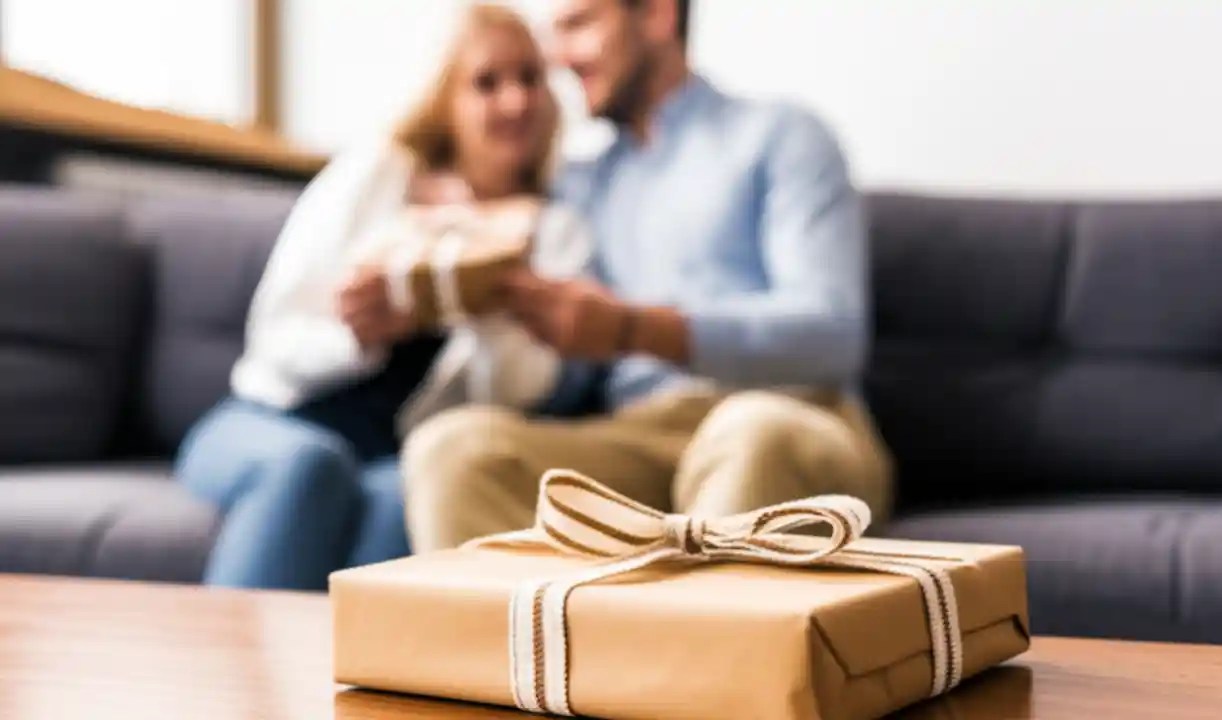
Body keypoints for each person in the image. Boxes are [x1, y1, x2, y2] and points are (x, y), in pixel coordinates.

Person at [401, 0, 893, 551]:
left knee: (749, 430)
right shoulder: (582, 186)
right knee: (452, 449)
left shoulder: (782, 136)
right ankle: (510, 638)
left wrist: (632, 329)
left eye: (579, 25)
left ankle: (696, 633)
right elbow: (569, 380)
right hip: (637, 437)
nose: (559, 58)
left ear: (657, 15)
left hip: (794, 415)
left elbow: (831, 335)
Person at [176, 4, 587, 590]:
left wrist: (488, 302)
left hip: (392, 451)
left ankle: (343, 677)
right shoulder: (380, 173)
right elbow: (273, 339)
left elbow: (519, 397)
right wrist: (357, 336)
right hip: (270, 420)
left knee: (404, 492)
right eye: (487, 83)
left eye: (530, 78)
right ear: (446, 97)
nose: (515, 101)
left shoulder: (553, 232)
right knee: (311, 466)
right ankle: (230, 680)